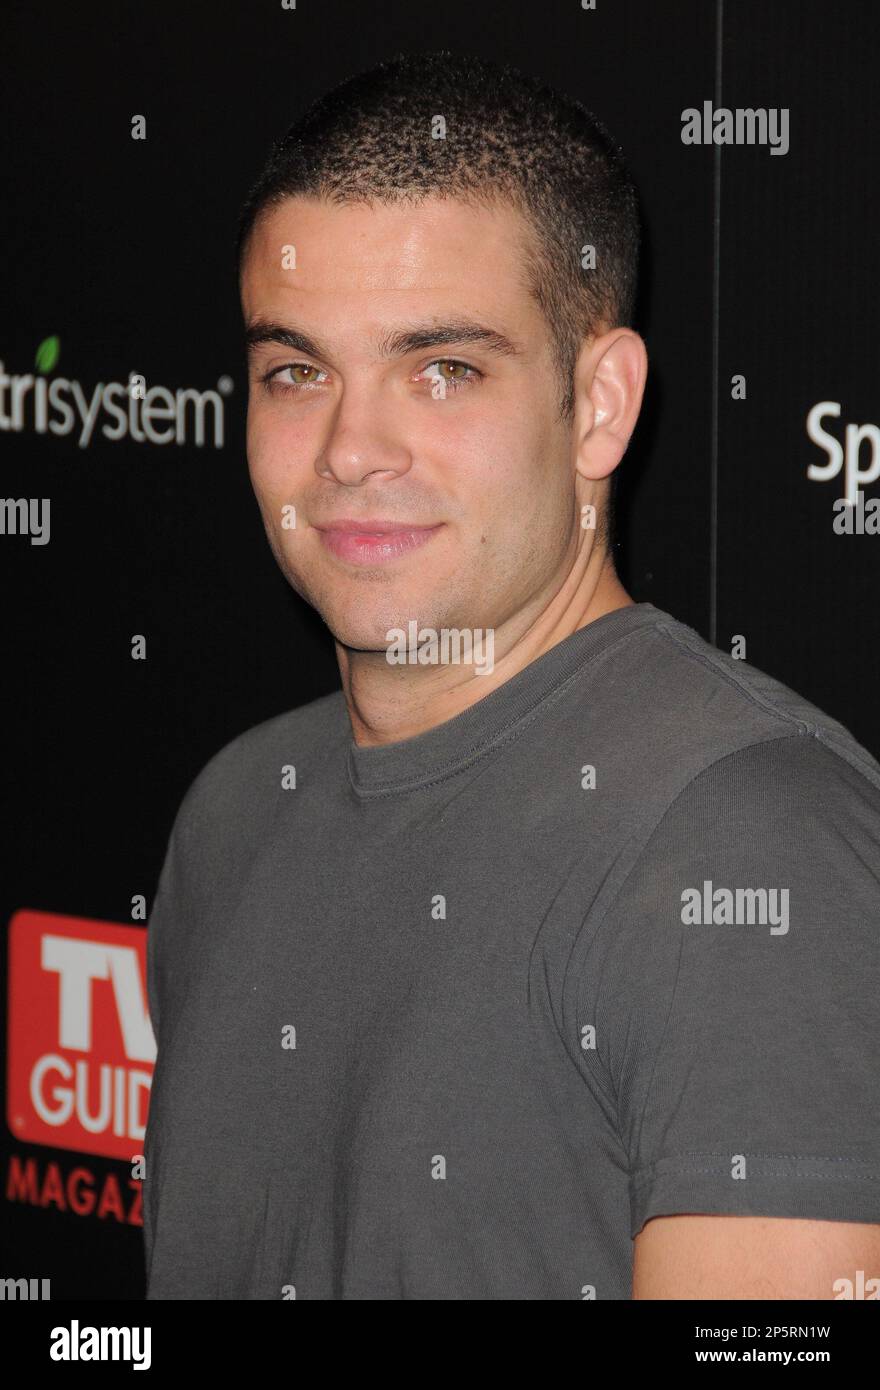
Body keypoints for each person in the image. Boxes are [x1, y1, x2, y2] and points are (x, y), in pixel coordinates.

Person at [143, 50, 880, 1300]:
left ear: (598, 403)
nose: (350, 449)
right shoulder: (233, 807)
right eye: (296, 371)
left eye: (444, 369)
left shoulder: (750, 844)